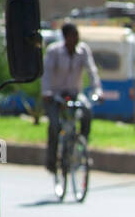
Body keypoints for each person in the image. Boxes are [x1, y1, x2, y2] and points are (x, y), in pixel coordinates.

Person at [41, 22, 101, 178]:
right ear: (65, 37)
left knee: (87, 112)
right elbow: (46, 73)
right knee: (55, 125)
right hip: (55, 95)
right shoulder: (54, 51)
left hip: (75, 93)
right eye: (72, 35)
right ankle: (52, 160)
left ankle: (81, 147)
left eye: (77, 35)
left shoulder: (83, 51)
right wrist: (47, 92)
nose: (75, 39)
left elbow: (92, 71)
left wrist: (98, 91)